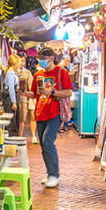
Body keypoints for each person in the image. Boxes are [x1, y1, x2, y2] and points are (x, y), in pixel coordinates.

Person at [30, 46, 74, 188]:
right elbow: (34, 93)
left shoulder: (62, 72)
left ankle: (54, 174)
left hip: (55, 112)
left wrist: (52, 91)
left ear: (51, 58)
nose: (42, 61)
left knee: (48, 141)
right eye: (40, 58)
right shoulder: (38, 75)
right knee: (43, 145)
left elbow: (68, 92)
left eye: (44, 58)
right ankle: (50, 173)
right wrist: (24, 93)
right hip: (40, 112)